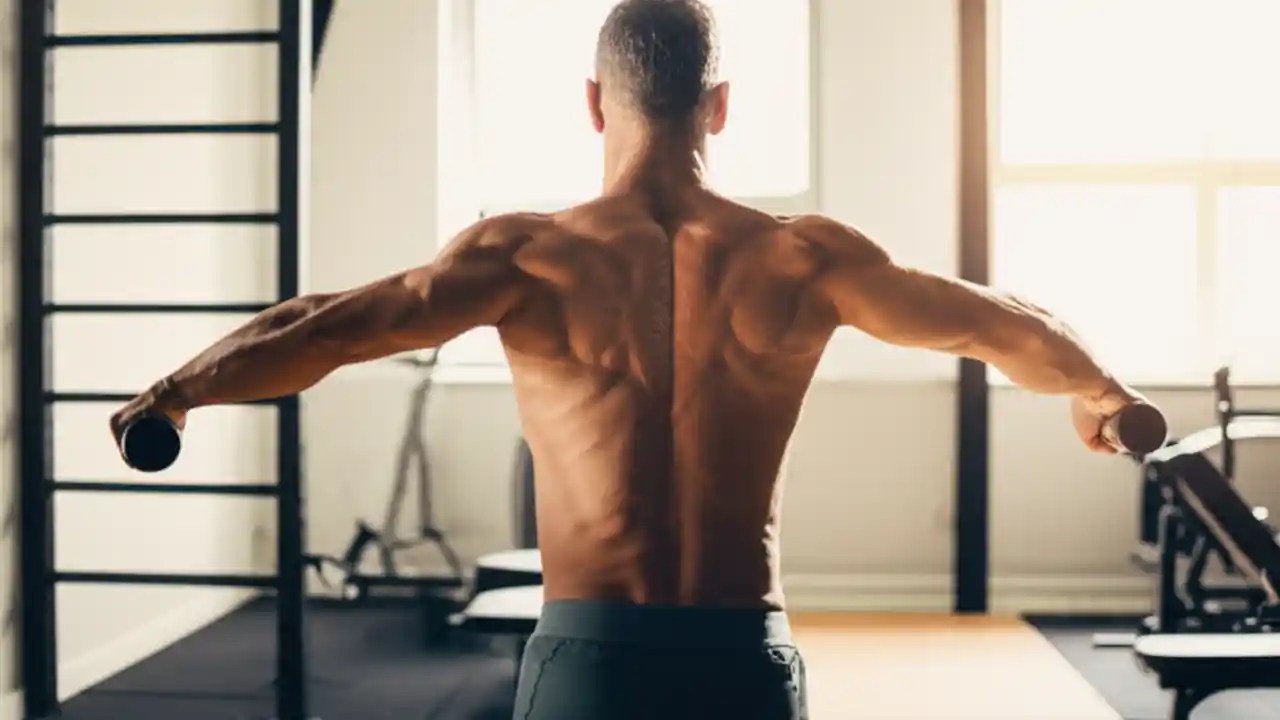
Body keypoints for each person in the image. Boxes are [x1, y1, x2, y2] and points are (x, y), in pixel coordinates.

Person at [111, 1, 1151, 717]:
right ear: (720, 105)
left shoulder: (525, 257)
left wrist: (175, 394)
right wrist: (1099, 391)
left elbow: (330, 327)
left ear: (593, 102)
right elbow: (995, 322)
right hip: (742, 655)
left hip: (590, 658)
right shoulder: (805, 259)